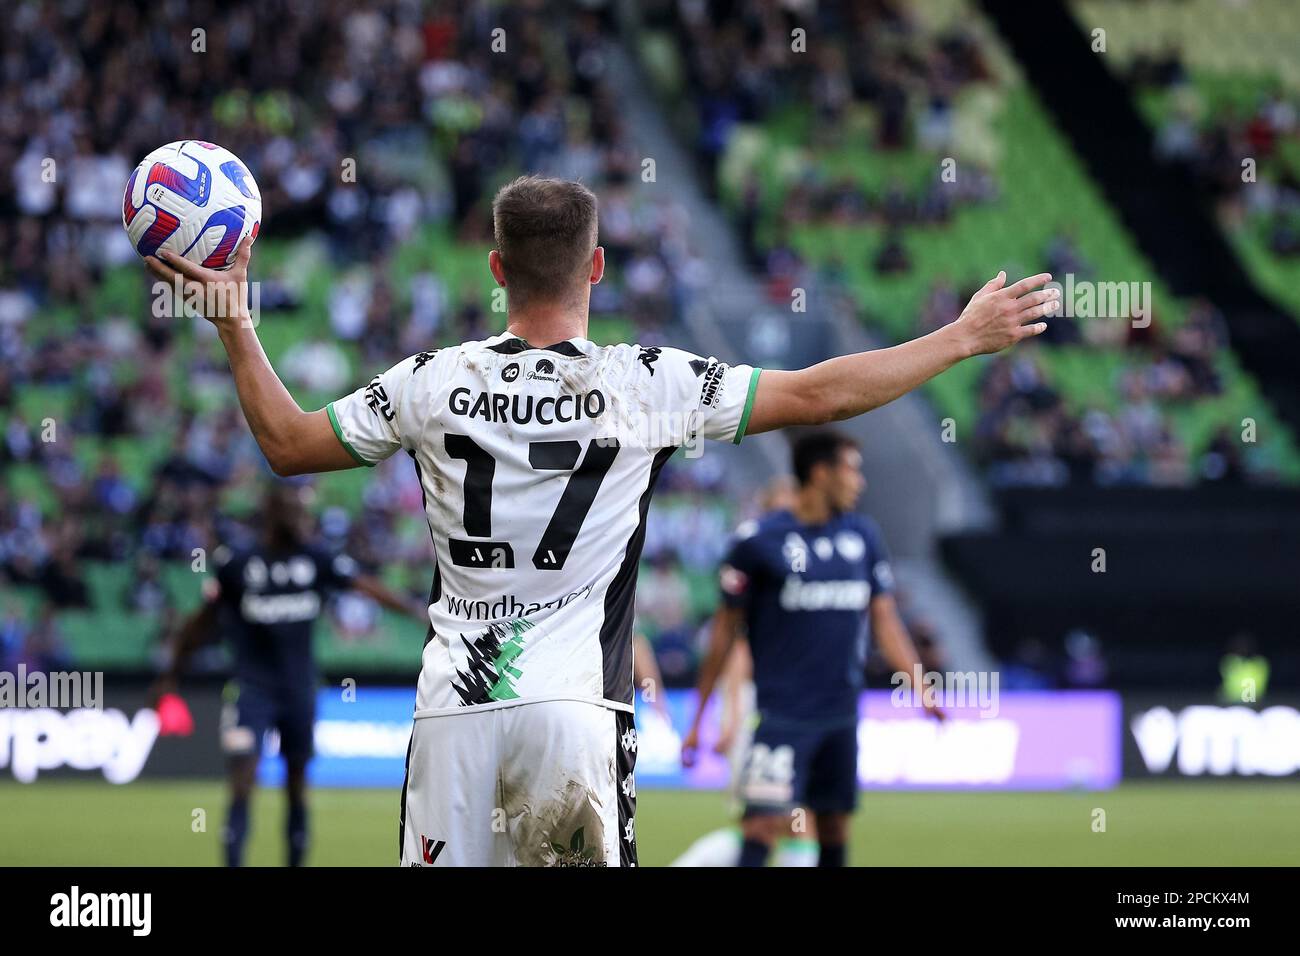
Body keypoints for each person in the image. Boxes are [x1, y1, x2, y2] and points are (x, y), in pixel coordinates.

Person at [142, 174, 1055, 866]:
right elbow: (820, 394)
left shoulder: (430, 380)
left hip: (453, 713)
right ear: (598, 267)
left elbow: (290, 446)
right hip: (576, 713)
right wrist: (962, 336)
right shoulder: (646, 383)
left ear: (496, 270)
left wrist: (235, 323)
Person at [682, 431, 943, 867]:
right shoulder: (758, 543)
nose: (859, 482)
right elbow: (725, 636)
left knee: (835, 827)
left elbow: (885, 620)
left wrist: (921, 685)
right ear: (821, 474)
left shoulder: (863, 536)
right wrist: (699, 716)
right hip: (781, 717)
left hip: (840, 713)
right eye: (851, 470)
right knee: (762, 826)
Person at [152, 482, 424, 866]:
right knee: (242, 778)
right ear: (273, 515)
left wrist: (415, 610)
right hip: (250, 690)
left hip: (299, 690)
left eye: (302, 513)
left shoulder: (314, 558)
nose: (302, 520)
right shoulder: (238, 564)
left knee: (296, 784)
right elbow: (201, 622)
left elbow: (365, 585)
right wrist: (172, 672)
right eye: (293, 512)